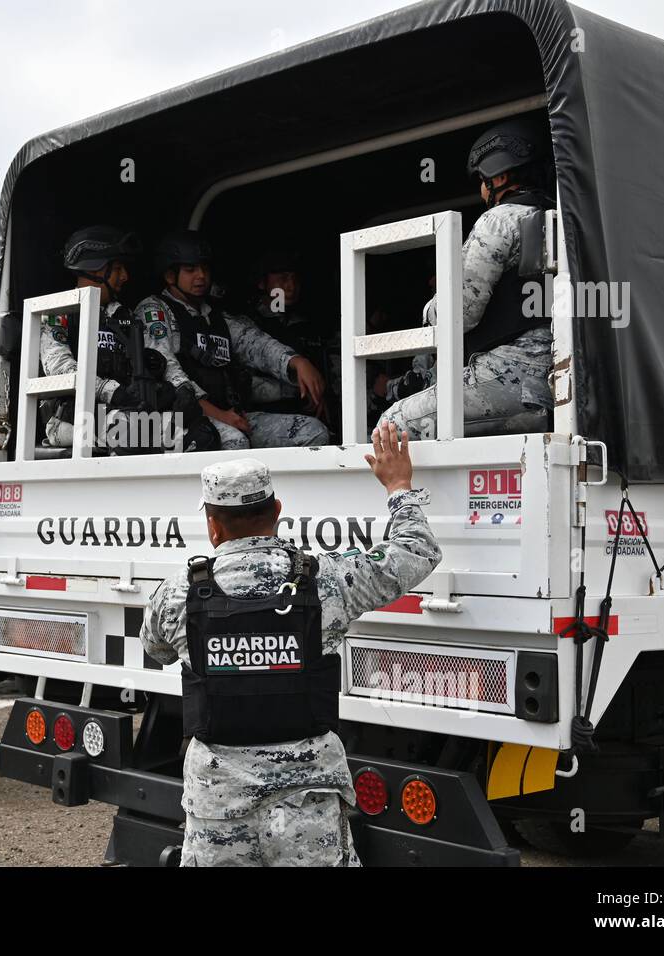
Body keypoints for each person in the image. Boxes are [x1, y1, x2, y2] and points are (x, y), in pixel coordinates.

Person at [139, 425, 440, 866]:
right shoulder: (325, 583)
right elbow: (416, 553)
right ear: (277, 510)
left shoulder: (178, 593)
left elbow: (157, 650)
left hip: (217, 806)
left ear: (212, 525)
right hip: (307, 805)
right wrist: (398, 487)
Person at [378, 118, 556, 440]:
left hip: (509, 379)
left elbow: (458, 313)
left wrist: (429, 310)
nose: (481, 189)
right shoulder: (562, 221)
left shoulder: (499, 220)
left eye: (483, 180)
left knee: (392, 426)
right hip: (555, 385)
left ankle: (405, 493)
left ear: (500, 175)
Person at [136, 231, 329, 451]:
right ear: (170, 276)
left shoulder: (214, 315)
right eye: (190, 270)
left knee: (313, 432)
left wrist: (296, 361)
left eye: (205, 269)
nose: (201, 276)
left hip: (230, 414)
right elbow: (168, 373)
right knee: (234, 441)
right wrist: (218, 415)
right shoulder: (155, 310)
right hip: (183, 419)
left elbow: (256, 344)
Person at [41, 225, 218, 454]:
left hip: (128, 413)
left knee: (202, 435)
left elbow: (158, 353)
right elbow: (58, 367)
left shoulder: (125, 316)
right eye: (117, 269)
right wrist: (112, 390)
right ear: (94, 269)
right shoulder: (59, 311)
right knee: (133, 434)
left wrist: (181, 388)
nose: (125, 276)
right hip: (75, 418)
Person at [246, 250, 338, 428]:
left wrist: (321, 393)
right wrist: (302, 388)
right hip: (262, 416)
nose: (291, 286)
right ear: (261, 282)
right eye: (282, 279)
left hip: (309, 417)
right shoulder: (249, 323)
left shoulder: (308, 326)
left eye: (295, 279)